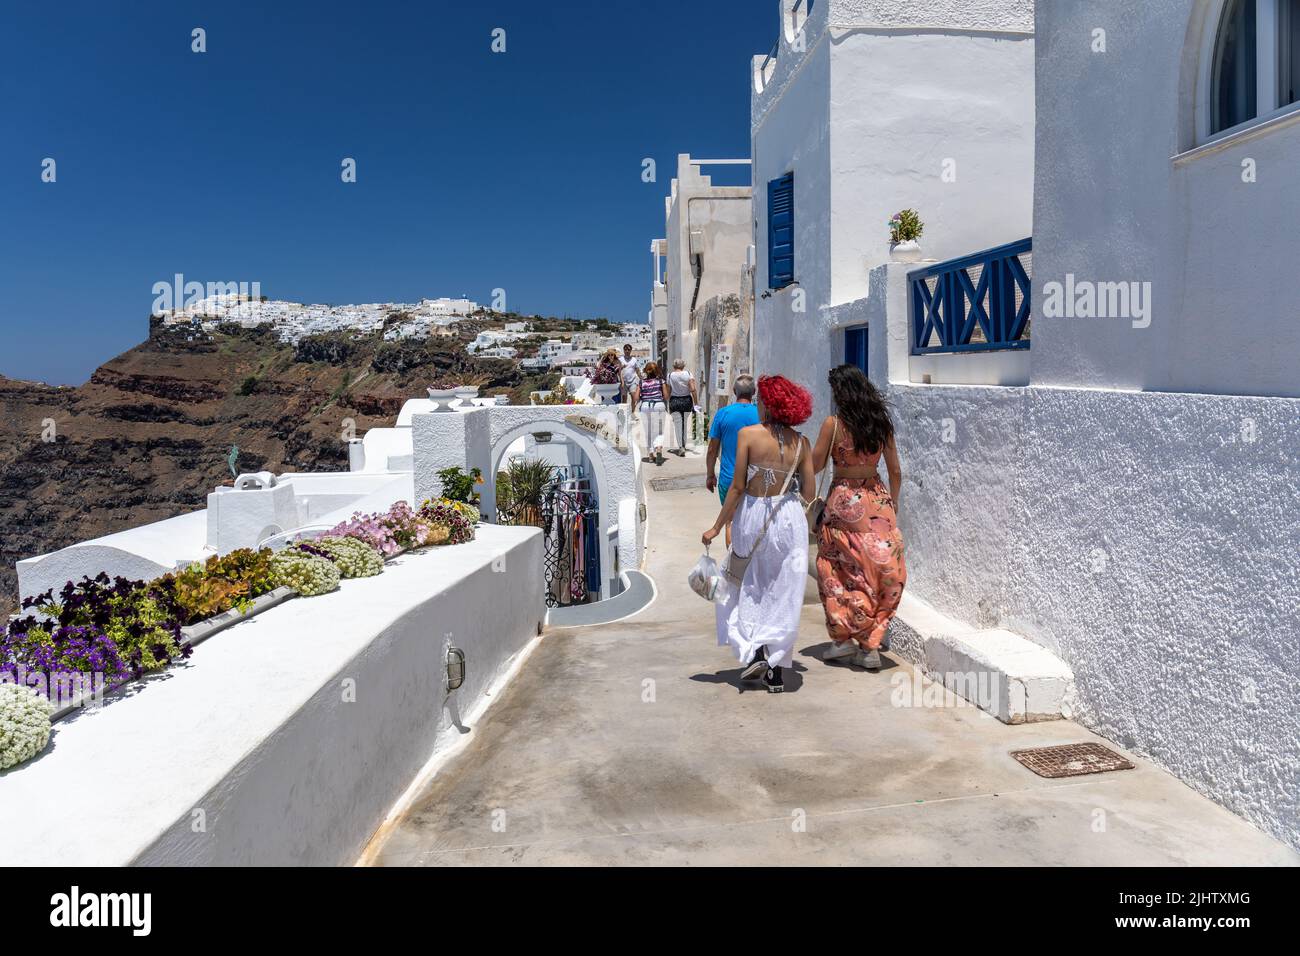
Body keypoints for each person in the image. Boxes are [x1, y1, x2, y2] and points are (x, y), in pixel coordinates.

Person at [703, 375, 815, 693]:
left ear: (767, 403)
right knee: (783, 590)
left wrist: (715, 526)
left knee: (747, 582)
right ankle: (776, 668)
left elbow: (737, 487)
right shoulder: (802, 443)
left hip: (753, 514)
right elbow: (808, 492)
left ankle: (754, 649)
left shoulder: (748, 436)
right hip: (789, 518)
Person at [810, 364, 906, 671]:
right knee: (877, 569)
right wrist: (894, 505)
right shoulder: (881, 424)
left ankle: (843, 639)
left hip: (843, 503)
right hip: (878, 502)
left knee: (836, 569)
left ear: (840, 392)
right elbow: (895, 471)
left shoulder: (833, 424)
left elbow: (813, 466)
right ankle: (870, 645)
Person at [705, 375, 760, 546]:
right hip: (755, 479)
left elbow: (712, 449)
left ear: (734, 391)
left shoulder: (723, 414)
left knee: (731, 521)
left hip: (729, 478)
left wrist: (710, 475)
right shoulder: (761, 414)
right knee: (753, 524)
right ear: (754, 392)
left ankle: (732, 568)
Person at [632, 361, 668, 465]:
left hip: (645, 406)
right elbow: (666, 396)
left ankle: (651, 455)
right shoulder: (661, 381)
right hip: (659, 405)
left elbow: (636, 398)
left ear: (646, 371)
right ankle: (658, 448)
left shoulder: (642, 382)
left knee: (648, 431)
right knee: (659, 430)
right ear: (657, 371)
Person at [667, 359, 698, 456]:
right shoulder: (688, 374)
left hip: (674, 400)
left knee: (677, 424)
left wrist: (668, 403)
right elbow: (693, 389)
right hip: (686, 400)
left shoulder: (670, 375)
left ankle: (681, 446)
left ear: (674, 366)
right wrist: (696, 403)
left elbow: (668, 390)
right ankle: (683, 445)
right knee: (684, 423)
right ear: (683, 366)